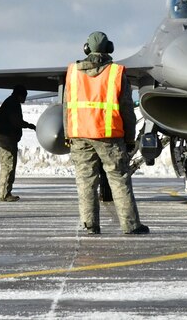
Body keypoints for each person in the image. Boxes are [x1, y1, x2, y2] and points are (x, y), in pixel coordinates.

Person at [64, 31, 149, 235]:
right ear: (109, 48)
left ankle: (89, 225)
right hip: (108, 135)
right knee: (119, 180)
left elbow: (67, 106)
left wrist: (68, 134)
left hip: (80, 134)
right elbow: (127, 109)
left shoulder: (73, 72)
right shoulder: (116, 73)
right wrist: (130, 139)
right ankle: (130, 225)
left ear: (87, 49)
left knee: (85, 182)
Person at [0, 85, 36, 202]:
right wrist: (29, 125)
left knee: (6, 166)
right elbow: (16, 121)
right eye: (24, 97)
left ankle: (3, 192)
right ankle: (5, 194)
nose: (25, 100)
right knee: (8, 167)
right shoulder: (13, 104)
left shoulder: (9, 102)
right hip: (7, 139)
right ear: (20, 95)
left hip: (4, 138)